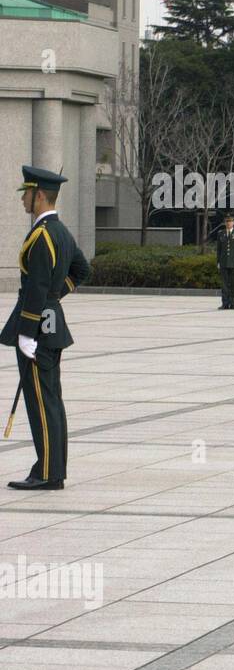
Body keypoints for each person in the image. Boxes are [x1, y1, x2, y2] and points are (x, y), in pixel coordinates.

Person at [1, 166, 91, 490]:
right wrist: (55, 297)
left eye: (26, 193)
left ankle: (48, 473)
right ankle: (52, 468)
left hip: (38, 330)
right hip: (50, 324)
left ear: (39, 195)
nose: (22, 199)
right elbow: (81, 269)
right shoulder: (61, 231)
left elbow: (37, 286)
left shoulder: (41, 235)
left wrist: (27, 332)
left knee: (42, 402)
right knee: (50, 400)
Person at [215, 212, 234, 310]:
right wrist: (218, 262)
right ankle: (225, 303)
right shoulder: (221, 233)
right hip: (224, 262)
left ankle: (233, 303)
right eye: (227, 221)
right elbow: (219, 249)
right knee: (224, 284)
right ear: (225, 223)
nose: (228, 223)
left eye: (230, 221)